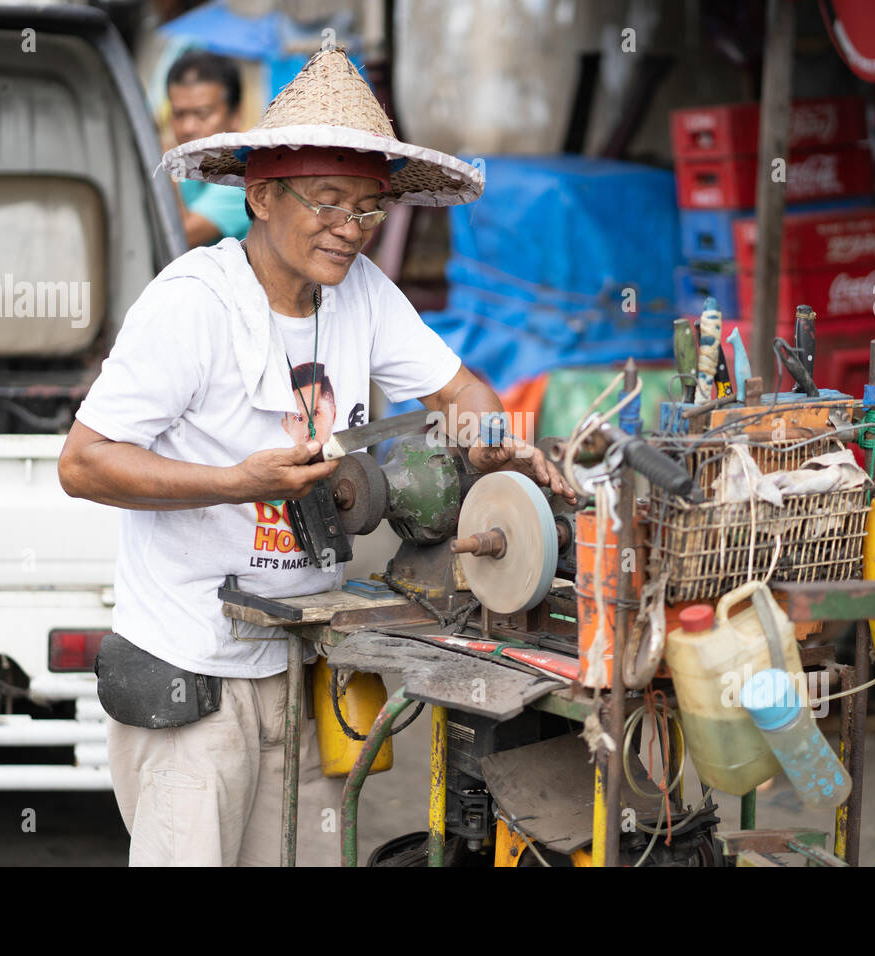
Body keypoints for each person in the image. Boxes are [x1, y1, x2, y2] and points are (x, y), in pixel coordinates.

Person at [58, 47, 572, 867]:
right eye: (327, 200)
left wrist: (503, 452)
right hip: (194, 668)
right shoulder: (193, 303)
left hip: (310, 660)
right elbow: (83, 464)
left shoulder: (362, 290)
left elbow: (460, 393)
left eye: (367, 208)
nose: (350, 227)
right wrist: (234, 483)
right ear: (262, 195)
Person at [166, 50, 251, 245]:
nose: (188, 127)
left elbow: (179, 236)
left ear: (235, 114)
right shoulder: (189, 166)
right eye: (179, 115)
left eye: (202, 114)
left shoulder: (244, 176)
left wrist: (162, 166)